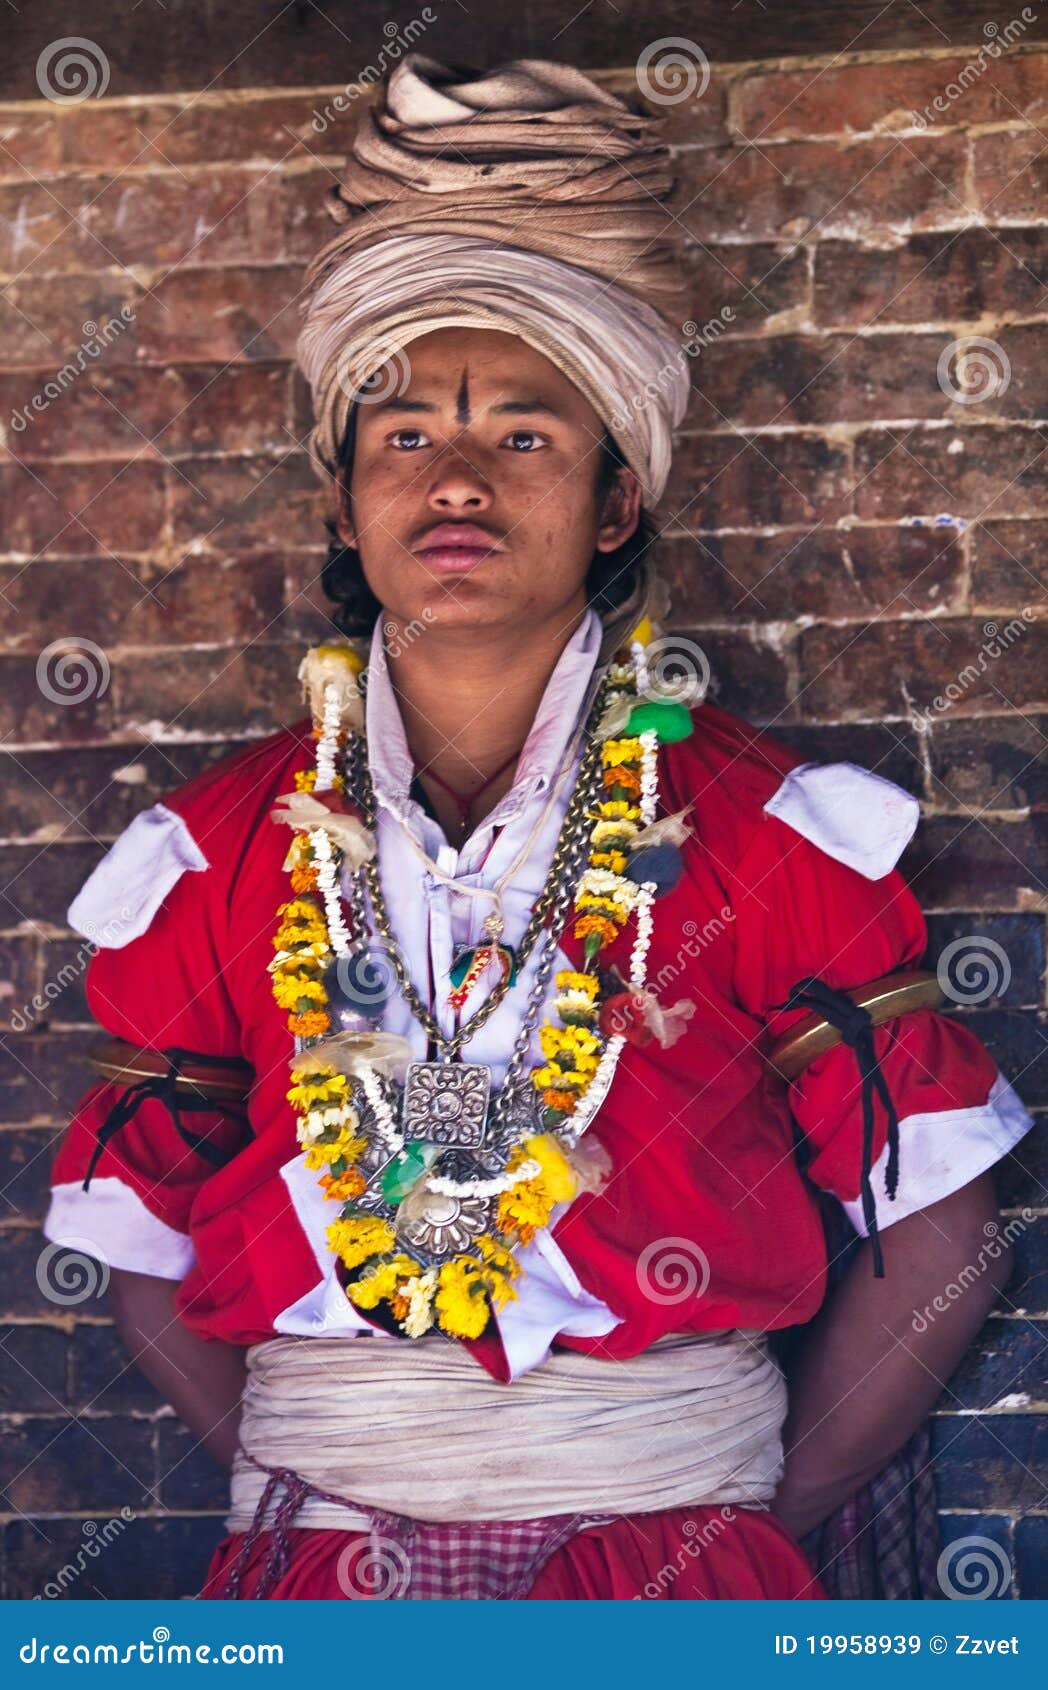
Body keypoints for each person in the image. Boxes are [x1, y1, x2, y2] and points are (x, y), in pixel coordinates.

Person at [42, 55, 1033, 1603]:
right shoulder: (214, 858)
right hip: (314, 1569)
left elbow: (942, 1229)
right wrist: (367, 1468)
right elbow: (143, 1250)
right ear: (349, 500)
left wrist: (742, 1511)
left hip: (675, 1575)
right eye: (403, 441)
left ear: (615, 500)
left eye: (523, 438)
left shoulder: (768, 836)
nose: (455, 481)